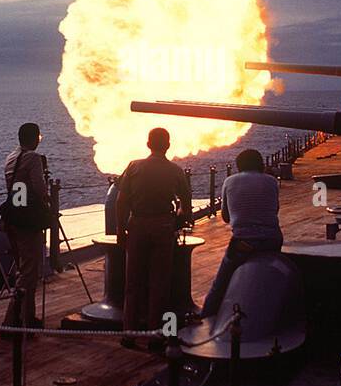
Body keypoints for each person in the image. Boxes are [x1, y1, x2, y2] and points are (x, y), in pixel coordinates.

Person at [115, 128, 192, 348]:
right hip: (163, 227)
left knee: (132, 282)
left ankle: (128, 333)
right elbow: (185, 206)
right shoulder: (175, 171)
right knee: (159, 283)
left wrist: (121, 230)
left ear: (148, 144)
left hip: (137, 225)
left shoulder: (133, 166)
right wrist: (177, 216)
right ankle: (155, 336)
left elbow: (121, 201)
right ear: (167, 145)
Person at [200, 148, 282, 319]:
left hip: (243, 243)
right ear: (260, 164)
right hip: (271, 240)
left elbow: (225, 217)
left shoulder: (230, 182)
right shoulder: (272, 181)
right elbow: (275, 210)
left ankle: (207, 314)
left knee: (221, 281)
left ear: (239, 165)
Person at [0, 122, 50, 333]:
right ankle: (13, 322)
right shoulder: (32, 158)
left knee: (24, 267)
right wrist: (48, 202)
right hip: (27, 219)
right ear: (34, 137)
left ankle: (28, 317)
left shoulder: (12, 157)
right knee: (29, 270)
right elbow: (38, 187)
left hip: (13, 217)